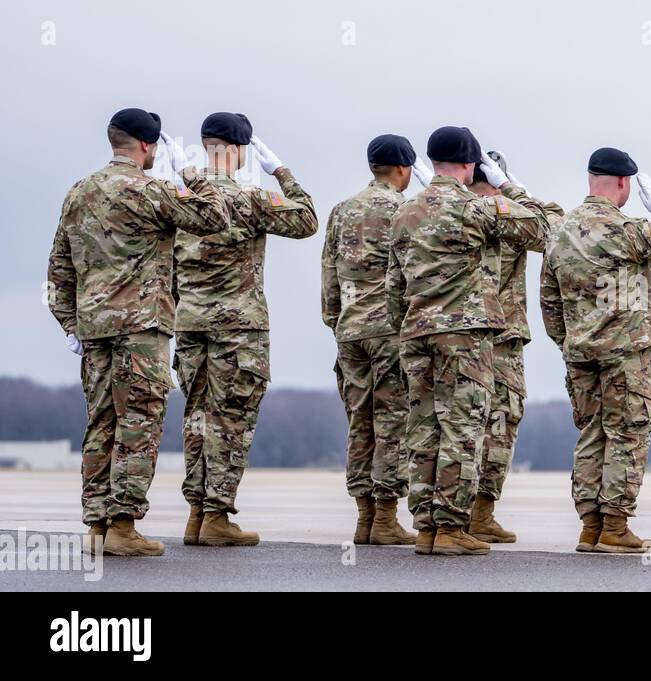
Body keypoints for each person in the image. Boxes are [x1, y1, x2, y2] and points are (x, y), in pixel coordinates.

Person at [47, 108, 230, 556]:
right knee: (140, 422)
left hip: (94, 330)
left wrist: (71, 323)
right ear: (149, 146)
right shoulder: (152, 191)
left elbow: (58, 269)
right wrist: (188, 170)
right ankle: (124, 526)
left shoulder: (79, 192)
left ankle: (97, 525)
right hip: (141, 328)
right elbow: (215, 217)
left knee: (101, 422)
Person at [386, 126, 547, 556]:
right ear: (472, 164)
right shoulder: (473, 208)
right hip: (464, 336)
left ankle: (425, 527)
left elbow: (392, 284)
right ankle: (452, 527)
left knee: (423, 428)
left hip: (416, 332)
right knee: (462, 429)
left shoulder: (405, 211)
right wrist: (508, 185)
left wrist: (405, 323)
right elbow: (541, 227)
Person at [540, 147, 651, 553]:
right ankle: (614, 526)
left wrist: (570, 340)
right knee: (627, 432)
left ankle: (590, 526)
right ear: (625, 183)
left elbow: (549, 300)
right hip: (625, 353)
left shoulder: (559, 231)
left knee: (591, 433)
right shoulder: (628, 229)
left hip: (580, 352)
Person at [173, 112, 319, 547]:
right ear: (239, 150)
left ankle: (196, 514)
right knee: (231, 420)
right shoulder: (251, 198)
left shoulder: (181, 197)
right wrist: (282, 172)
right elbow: (307, 219)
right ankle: (216, 516)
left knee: (197, 419)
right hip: (238, 328)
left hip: (191, 324)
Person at [322, 134, 423, 545]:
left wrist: (337, 320)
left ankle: (363, 518)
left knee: (359, 423)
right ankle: (384, 517)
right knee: (392, 422)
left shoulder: (342, 211)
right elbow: (411, 272)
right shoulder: (404, 211)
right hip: (388, 330)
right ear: (404, 168)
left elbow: (330, 274)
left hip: (350, 331)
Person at [463, 151, 565, 543]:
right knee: (500, 422)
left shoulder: (441, 211)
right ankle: (479, 513)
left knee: (453, 422)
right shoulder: (506, 214)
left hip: (452, 335)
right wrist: (513, 188)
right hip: (500, 336)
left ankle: (450, 515)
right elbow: (556, 227)